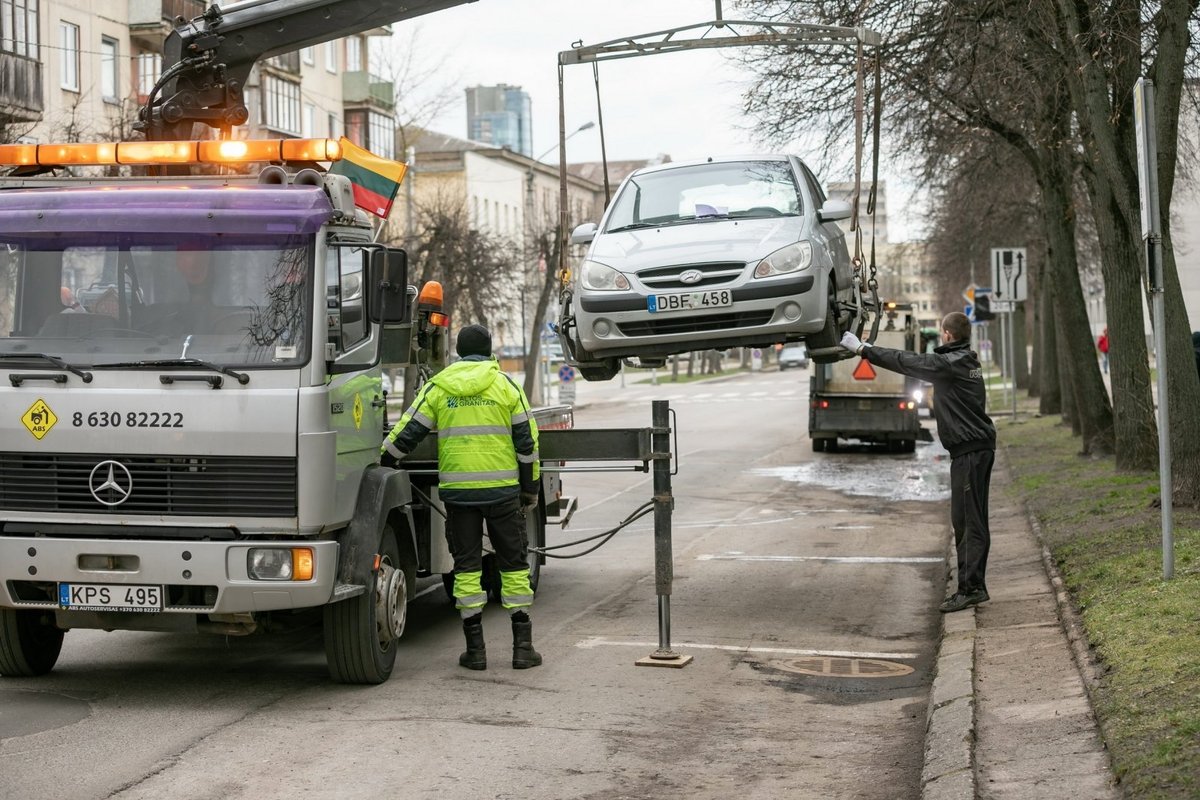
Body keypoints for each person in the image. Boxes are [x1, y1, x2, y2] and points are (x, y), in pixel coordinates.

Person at [380, 324, 543, 669]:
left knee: (466, 568)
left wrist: (386, 460)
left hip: (459, 496)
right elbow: (528, 444)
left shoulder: (439, 388)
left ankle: (476, 651)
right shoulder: (505, 386)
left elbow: (407, 431)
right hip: (502, 493)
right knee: (513, 565)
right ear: (489, 350)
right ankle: (522, 649)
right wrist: (530, 489)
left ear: (457, 350)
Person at [841, 312, 996, 613]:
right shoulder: (965, 360)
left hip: (970, 451)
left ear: (948, 335)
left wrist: (863, 349)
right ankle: (971, 585)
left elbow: (905, 360)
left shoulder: (949, 364)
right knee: (968, 518)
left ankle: (971, 588)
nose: (940, 336)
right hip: (974, 449)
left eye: (941, 332)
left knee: (968, 520)